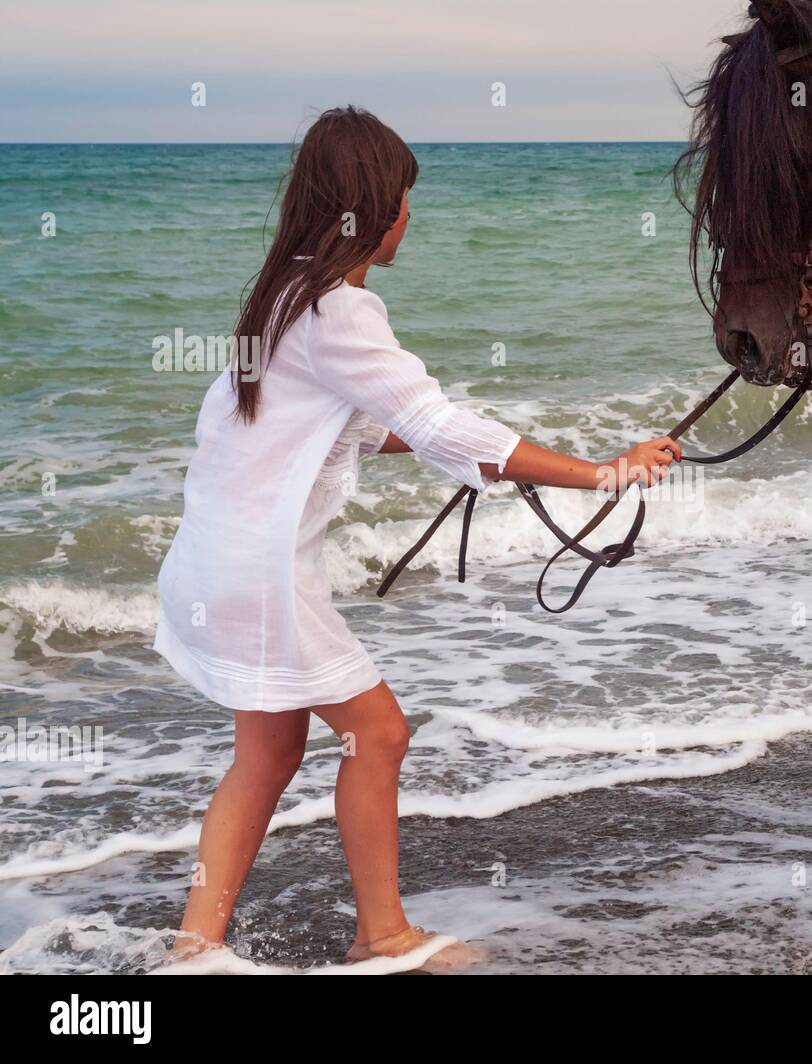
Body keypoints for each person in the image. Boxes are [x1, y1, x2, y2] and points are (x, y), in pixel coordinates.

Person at [153, 106, 680, 971]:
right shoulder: (342, 310)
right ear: (374, 208)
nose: (409, 217)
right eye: (403, 199)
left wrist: (492, 456)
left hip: (217, 561)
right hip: (258, 574)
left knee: (269, 752)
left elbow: (354, 426)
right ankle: (381, 935)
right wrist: (603, 472)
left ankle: (193, 948)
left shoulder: (281, 294)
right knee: (381, 734)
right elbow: (434, 422)